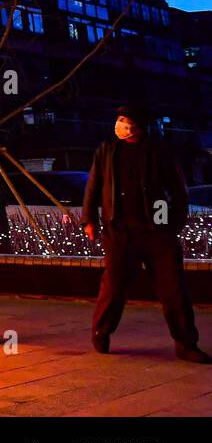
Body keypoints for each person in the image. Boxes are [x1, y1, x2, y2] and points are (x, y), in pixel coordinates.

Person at [82, 105, 210, 363]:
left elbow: (177, 189)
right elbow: (93, 185)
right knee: (114, 286)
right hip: (119, 230)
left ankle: (186, 343)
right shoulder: (107, 151)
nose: (120, 124)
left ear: (138, 125)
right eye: (118, 119)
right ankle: (101, 331)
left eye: (125, 120)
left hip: (156, 232)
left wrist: (172, 224)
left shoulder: (159, 151)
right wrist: (89, 220)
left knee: (173, 288)